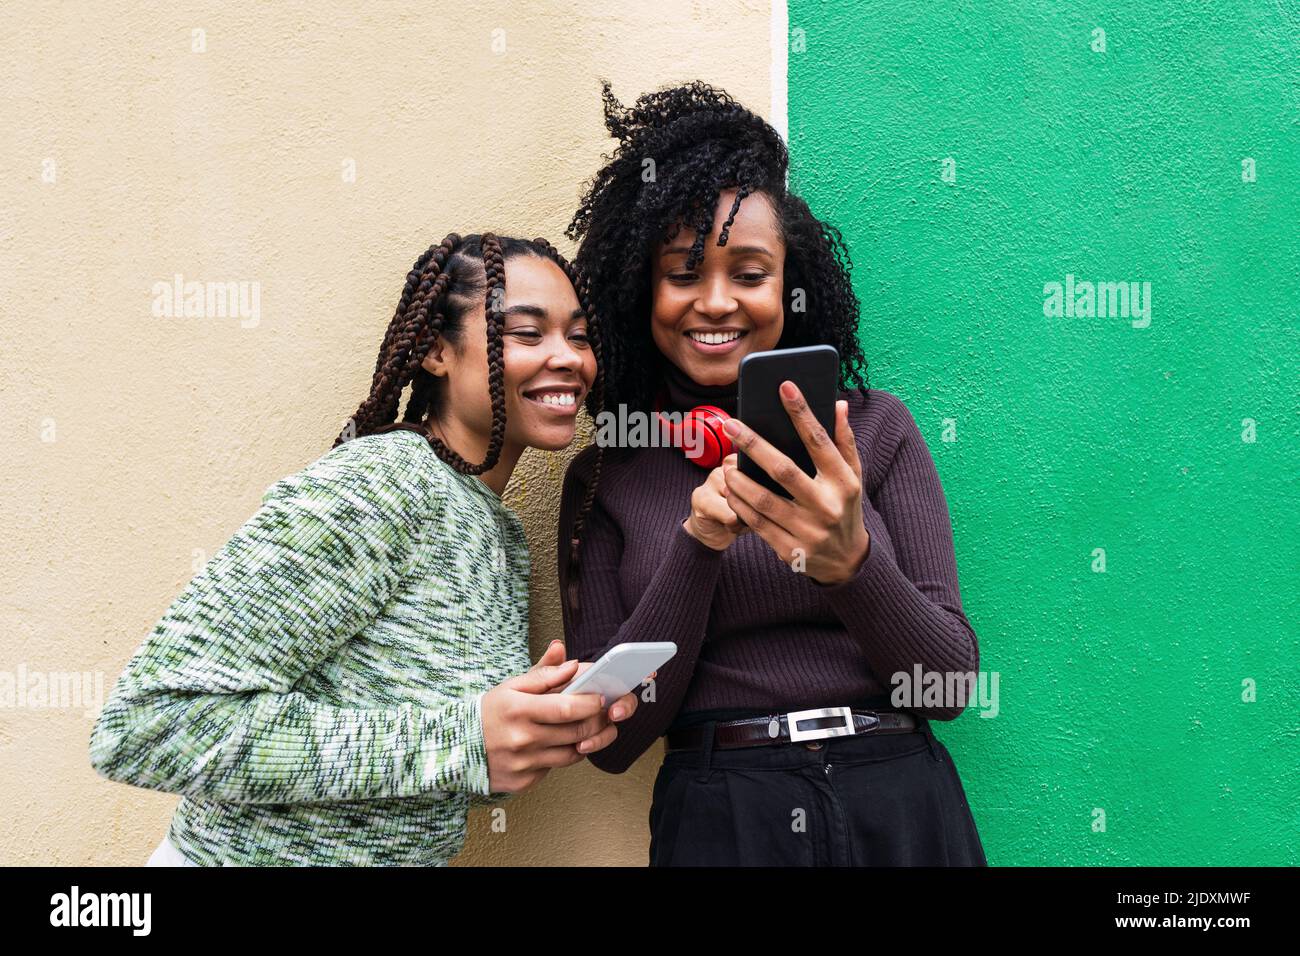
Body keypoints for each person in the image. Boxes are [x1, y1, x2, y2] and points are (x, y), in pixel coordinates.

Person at [90, 232, 639, 866]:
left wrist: (520, 736)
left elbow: (423, 768)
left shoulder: (501, 534)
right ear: (436, 349)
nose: (568, 357)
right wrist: (463, 735)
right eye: (527, 333)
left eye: (578, 335)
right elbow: (147, 727)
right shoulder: (381, 484)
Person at [558, 82, 988, 866]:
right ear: (639, 290)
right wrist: (698, 542)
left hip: (898, 799)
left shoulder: (873, 431)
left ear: (791, 288)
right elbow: (614, 744)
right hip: (723, 817)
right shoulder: (606, 475)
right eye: (682, 273)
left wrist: (850, 565)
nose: (715, 302)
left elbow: (949, 685)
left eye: (749, 274)